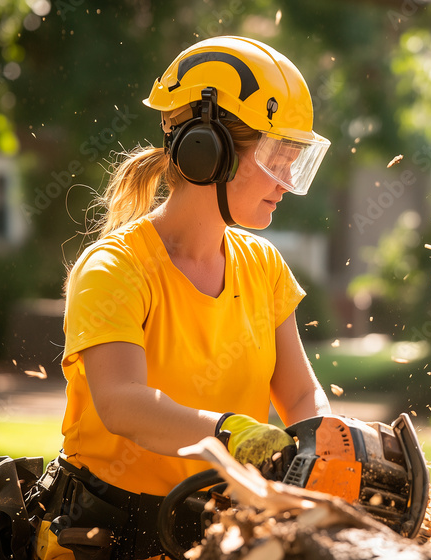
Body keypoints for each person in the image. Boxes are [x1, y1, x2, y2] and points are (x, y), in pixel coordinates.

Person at [34, 36, 333, 559]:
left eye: (295, 161)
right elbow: (122, 404)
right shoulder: (115, 268)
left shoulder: (263, 267)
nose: (286, 181)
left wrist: (328, 446)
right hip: (106, 539)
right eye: (275, 158)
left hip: (219, 535)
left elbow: (303, 397)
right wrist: (226, 431)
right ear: (206, 149)